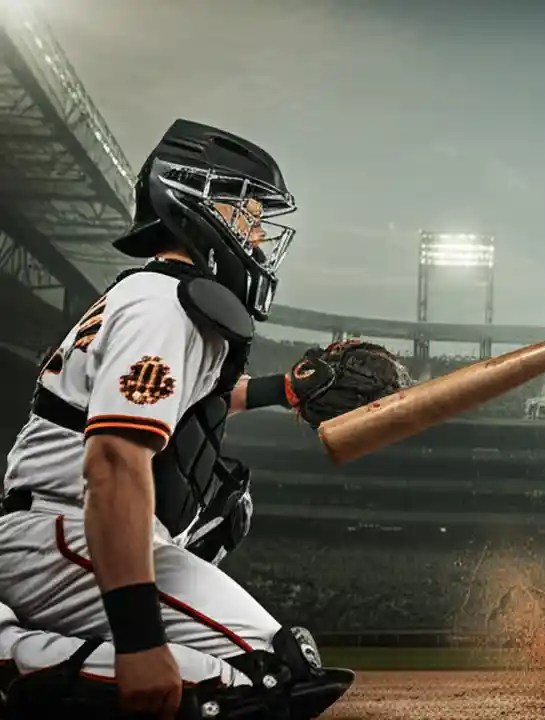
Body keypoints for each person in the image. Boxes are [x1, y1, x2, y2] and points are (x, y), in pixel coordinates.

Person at [0, 120, 355, 719]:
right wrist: (139, 643)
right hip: (64, 528)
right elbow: (114, 460)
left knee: (285, 670)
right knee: (257, 684)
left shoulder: (168, 300)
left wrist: (285, 390)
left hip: (82, 530)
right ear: (198, 201)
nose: (258, 235)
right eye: (247, 213)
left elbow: (194, 400)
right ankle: (11, 656)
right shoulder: (162, 303)